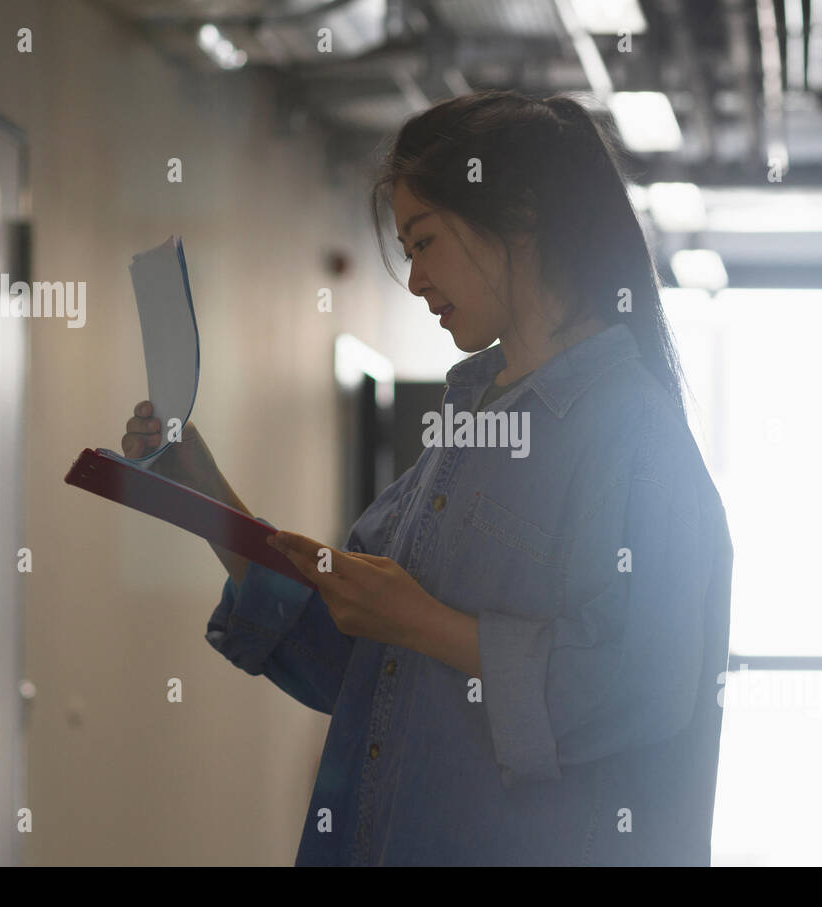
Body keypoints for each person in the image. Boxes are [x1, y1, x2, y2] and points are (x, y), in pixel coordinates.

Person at [121, 90, 733, 865]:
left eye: (425, 242)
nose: (414, 280)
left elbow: (643, 689)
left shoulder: (635, 438)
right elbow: (358, 665)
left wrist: (425, 623)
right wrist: (200, 487)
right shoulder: (473, 415)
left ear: (520, 216)